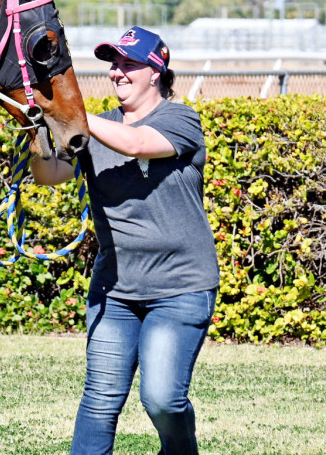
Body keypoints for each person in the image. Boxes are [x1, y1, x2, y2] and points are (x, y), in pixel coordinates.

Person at [30, 26, 220, 455]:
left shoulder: (179, 119)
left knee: (162, 399)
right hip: (115, 290)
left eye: (128, 63)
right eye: (113, 63)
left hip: (181, 286)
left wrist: (68, 112)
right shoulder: (97, 127)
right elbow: (51, 176)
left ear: (156, 71)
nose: (116, 72)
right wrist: (39, 132)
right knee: (99, 401)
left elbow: (136, 144)